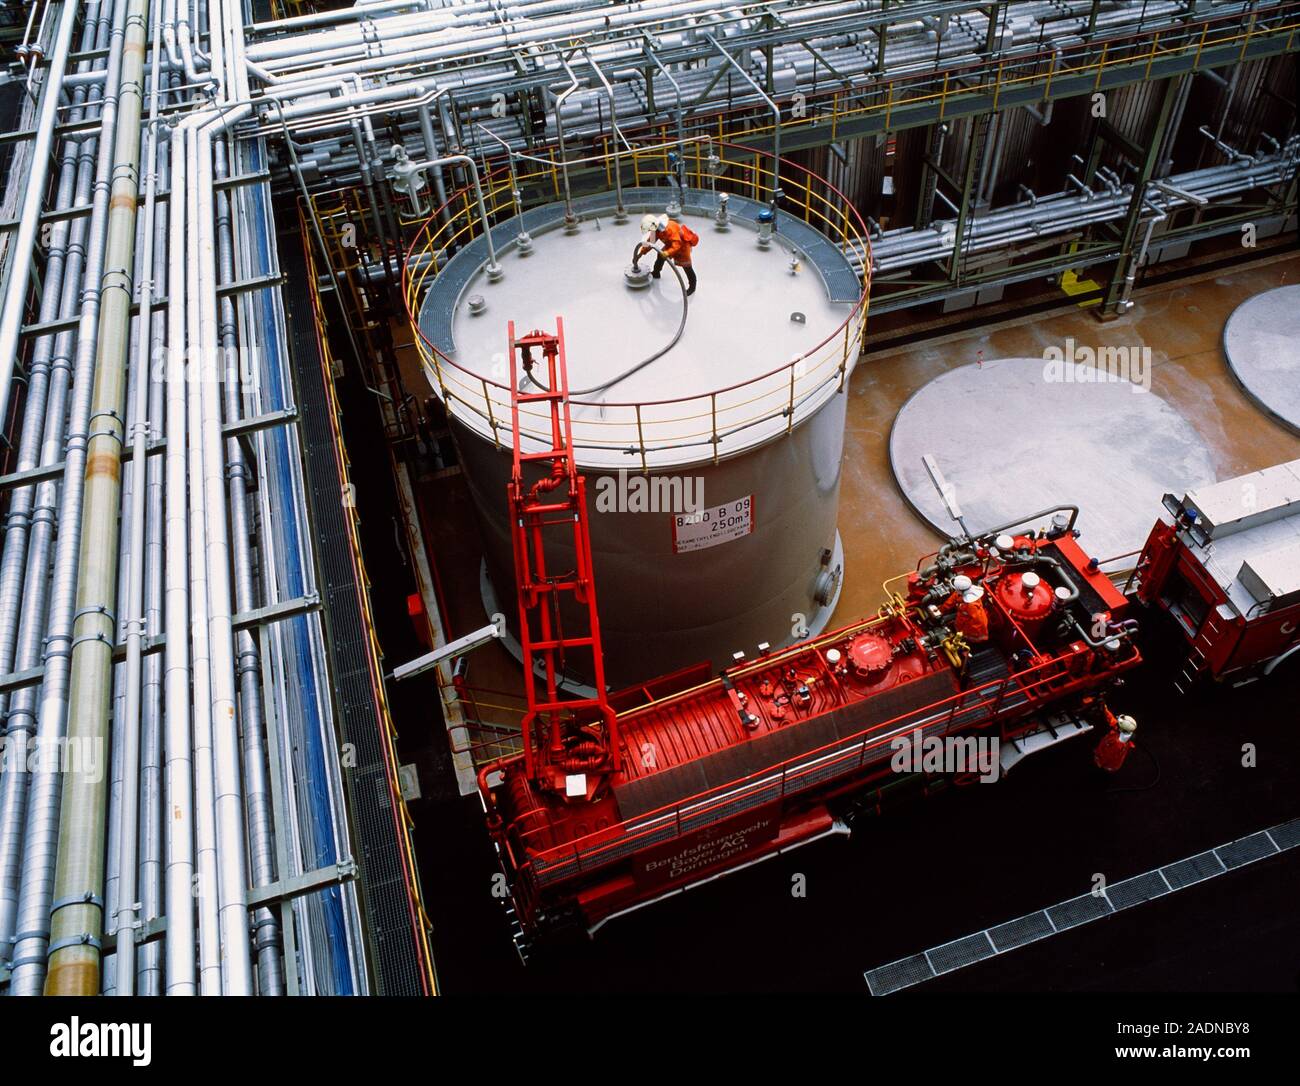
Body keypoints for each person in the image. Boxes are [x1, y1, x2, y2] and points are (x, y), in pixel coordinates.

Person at [634, 213, 698, 295]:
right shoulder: (656, 229)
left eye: (649, 229)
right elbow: (650, 242)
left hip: (682, 247)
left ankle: (692, 287)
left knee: (687, 267)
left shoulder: (669, 228)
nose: (650, 231)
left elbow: (677, 244)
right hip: (671, 245)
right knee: (660, 256)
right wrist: (640, 254)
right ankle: (656, 272)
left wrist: (667, 252)